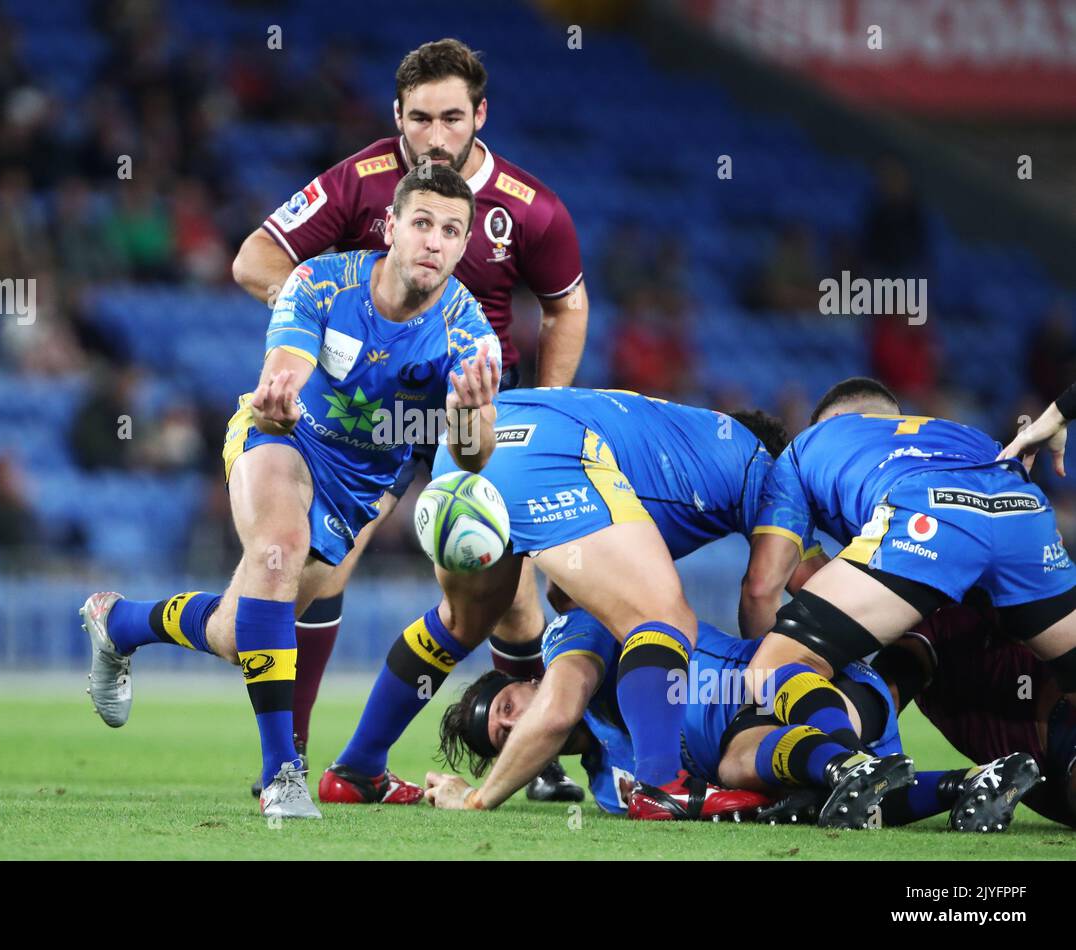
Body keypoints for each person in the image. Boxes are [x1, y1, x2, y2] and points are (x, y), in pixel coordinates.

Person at [79, 166, 500, 819]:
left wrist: (472, 415)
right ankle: (284, 777)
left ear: (465, 244)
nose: (433, 242)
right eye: (421, 223)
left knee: (237, 634)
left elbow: (472, 459)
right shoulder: (321, 282)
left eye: (451, 231)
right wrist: (278, 402)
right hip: (287, 441)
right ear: (391, 227)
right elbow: (285, 376)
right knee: (278, 548)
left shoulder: (470, 332)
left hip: (360, 486)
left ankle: (121, 621)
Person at [231, 39, 589, 801]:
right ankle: (296, 756)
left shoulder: (531, 208)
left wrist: (543, 407)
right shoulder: (360, 183)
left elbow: (567, 305)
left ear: (479, 116)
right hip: (376, 410)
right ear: (397, 114)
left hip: (472, 408)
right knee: (308, 578)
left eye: (451, 117)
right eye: (419, 117)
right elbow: (256, 258)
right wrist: (326, 334)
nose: (434, 136)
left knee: (506, 586)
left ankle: (536, 756)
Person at [319, 387, 814, 818]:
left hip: (473, 446)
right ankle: (662, 787)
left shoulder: (682, 438)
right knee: (662, 619)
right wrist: (777, 693)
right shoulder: (769, 471)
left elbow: (571, 583)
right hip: (558, 455)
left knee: (461, 622)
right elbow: (763, 593)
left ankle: (357, 768)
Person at [429, 588, 1041, 832]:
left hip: (811, 689)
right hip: (794, 753)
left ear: (531, 681)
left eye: (507, 705)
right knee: (803, 791)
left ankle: (842, 765)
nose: (514, 724)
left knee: (749, 732)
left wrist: (477, 795)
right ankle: (971, 783)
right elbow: (712, 805)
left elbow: (558, 710)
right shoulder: (611, 790)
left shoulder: (575, 636)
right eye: (502, 735)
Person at [738, 376, 1076, 791]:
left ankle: (846, 766)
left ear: (837, 419)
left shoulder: (808, 445)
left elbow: (762, 588)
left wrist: (760, 704)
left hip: (922, 519)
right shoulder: (967, 434)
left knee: (777, 665)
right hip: (1023, 513)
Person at [873, 596, 1073, 829]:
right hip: (1033, 755)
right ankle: (965, 782)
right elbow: (881, 696)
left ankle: (965, 782)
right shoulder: (939, 624)